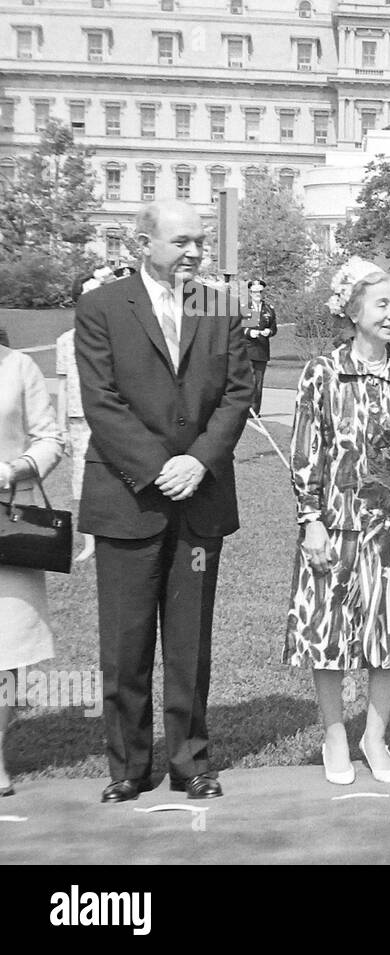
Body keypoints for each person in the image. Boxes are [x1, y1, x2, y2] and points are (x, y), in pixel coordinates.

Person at [75, 199, 253, 803]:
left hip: (199, 498)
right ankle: (128, 766)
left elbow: (236, 394)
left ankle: (191, 761)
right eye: (181, 242)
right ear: (142, 243)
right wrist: (158, 469)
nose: (195, 253)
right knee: (125, 647)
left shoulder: (218, 304)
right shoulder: (102, 305)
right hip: (128, 498)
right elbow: (101, 401)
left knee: (188, 643)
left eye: (200, 242)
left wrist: (198, 461)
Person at [284, 258, 390, 786]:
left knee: (389, 634)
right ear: (353, 310)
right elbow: (308, 452)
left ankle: (375, 735)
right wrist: (310, 519)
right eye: (383, 304)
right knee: (330, 630)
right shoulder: (322, 372)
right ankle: (334, 736)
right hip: (336, 524)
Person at [0, 344, 67, 797]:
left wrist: (14, 468)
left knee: (7, 644)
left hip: (8, 522)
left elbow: (50, 439)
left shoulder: (17, 365)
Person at [54, 329, 95, 562]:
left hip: (109, 413)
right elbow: (62, 386)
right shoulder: (65, 340)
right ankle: (90, 542)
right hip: (78, 419)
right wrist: (61, 428)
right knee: (81, 481)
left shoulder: (113, 329)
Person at [243, 277, 277, 416]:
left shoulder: (269, 309)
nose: (258, 295)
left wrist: (269, 331)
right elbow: (238, 328)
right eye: (255, 292)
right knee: (248, 381)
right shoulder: (244, 309)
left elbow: (274, 328)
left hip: (262, 350)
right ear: (250, 293)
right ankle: (245, 409)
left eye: (260, 292)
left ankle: (255, 411)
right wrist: (250, 332)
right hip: (248, 348)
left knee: (258, 382)